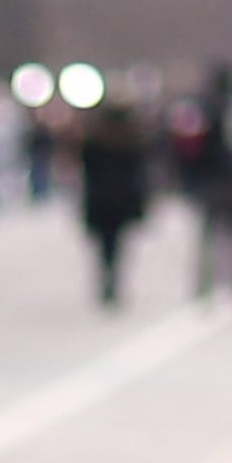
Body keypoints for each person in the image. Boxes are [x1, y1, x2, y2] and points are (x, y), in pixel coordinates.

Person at [70, 80, 161, 306]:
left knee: (106, 245)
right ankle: (111, 281)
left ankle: (108, 280)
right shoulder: (131, 135)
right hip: (119, 197)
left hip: (103, 197)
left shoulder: (97, 134)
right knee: (116, 245)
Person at [179, 64, 232, 302]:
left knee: (207, 235)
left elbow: (190, 148)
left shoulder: (203, 110)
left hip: (210, 179)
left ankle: (204, 285)